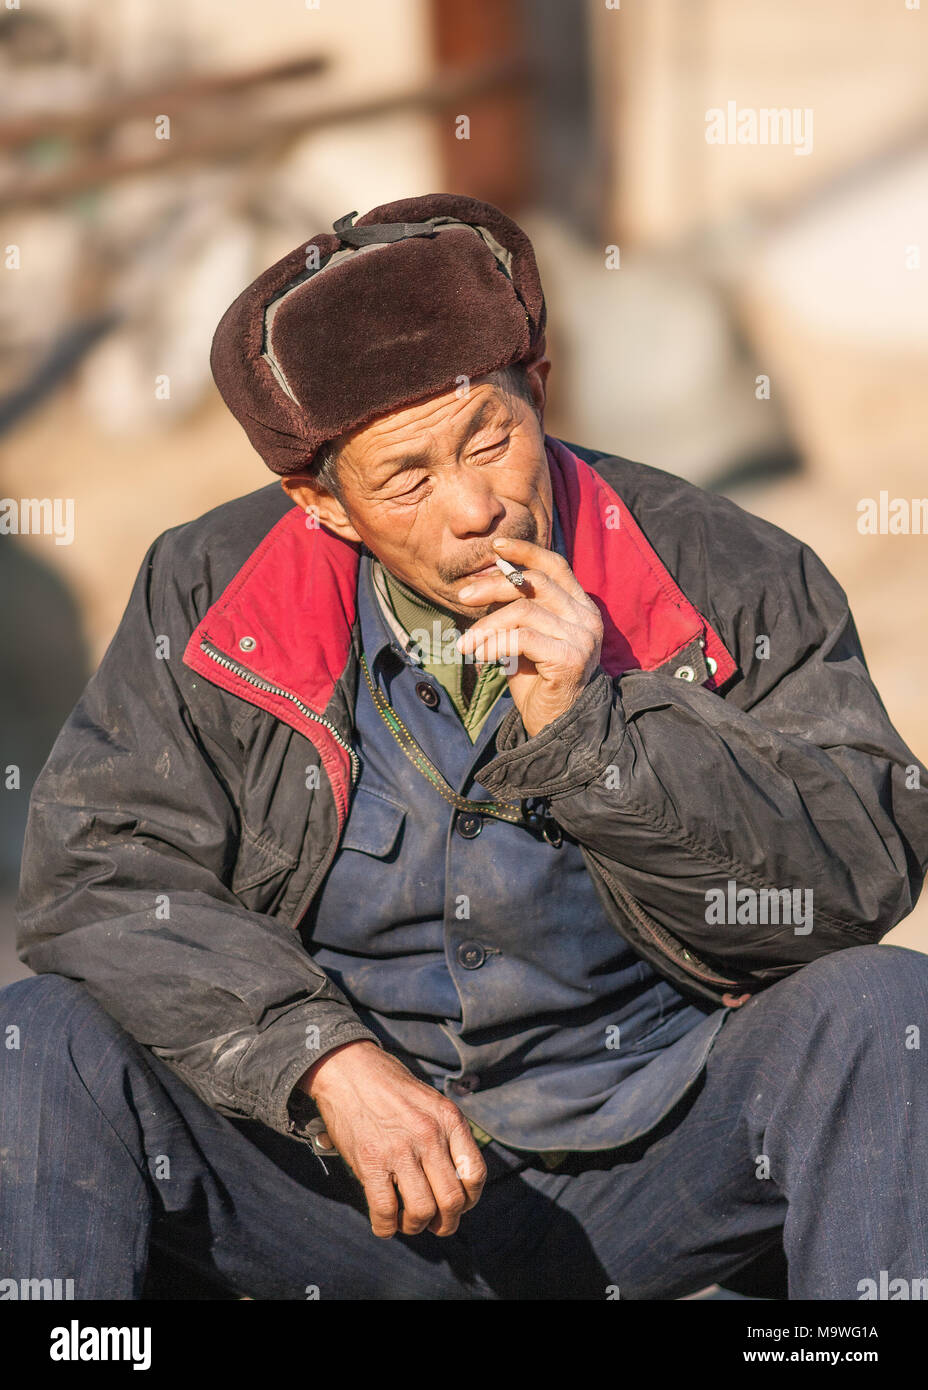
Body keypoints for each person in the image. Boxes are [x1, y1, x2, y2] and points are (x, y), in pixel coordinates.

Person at [4, 194, 928, 1301]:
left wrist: (598, 731)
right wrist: (319, 1060)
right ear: (321, 502)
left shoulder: (730, 570)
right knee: (43, 1038)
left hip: (648, 1165)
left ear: (538, 392)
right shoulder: (209, 591)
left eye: (491, 439)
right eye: (406, 479)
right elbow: (98, 873)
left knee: (881, 1014)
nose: (477, 506)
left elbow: (858, 868)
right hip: (334, 1189)